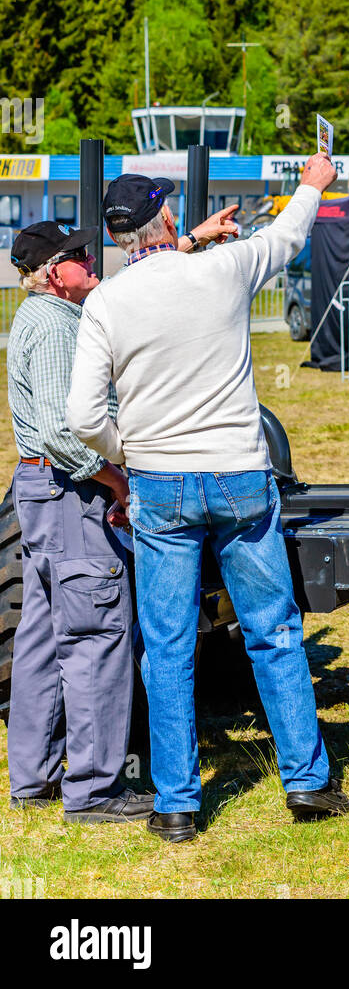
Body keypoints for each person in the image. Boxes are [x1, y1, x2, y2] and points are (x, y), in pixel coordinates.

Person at [66, 159, 349, 844]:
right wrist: (313, 179)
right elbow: (285, 240)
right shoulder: (223, 271)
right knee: (274, 633)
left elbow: (80, 417)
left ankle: (176, 804)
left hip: (159, 481)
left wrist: (126, 450)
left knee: (165, 649)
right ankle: (307, 783)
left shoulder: (106, 302)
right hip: (239, 474)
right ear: (167, 218)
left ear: (118, 237)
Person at [5, 202, 237, 822]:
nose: (90, 261)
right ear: (57, 274)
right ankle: (94, 792)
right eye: (79, 256)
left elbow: (141, 278)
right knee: (96, 638)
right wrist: (116, 483)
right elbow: (64, 431)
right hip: (72, 493)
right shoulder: (57, 328)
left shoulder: (41, 314)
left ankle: (33, 776)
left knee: (40, 635)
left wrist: (187, 240)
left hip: (42, 493)